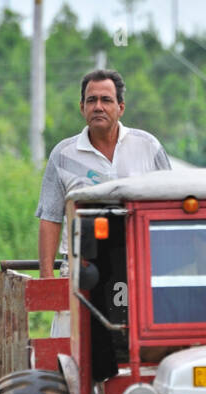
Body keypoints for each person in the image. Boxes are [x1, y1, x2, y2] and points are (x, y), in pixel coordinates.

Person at [35, 69, 171, 279]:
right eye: (92, 100)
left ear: (121, 108)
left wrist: (165, 270)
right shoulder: (63, 155)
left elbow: (169, 209)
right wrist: (46, 279)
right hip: (80, 271)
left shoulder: (148, 147)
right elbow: (50, 219)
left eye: (106, 100)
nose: (98, 107)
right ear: (82, 108)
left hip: (139, 268)